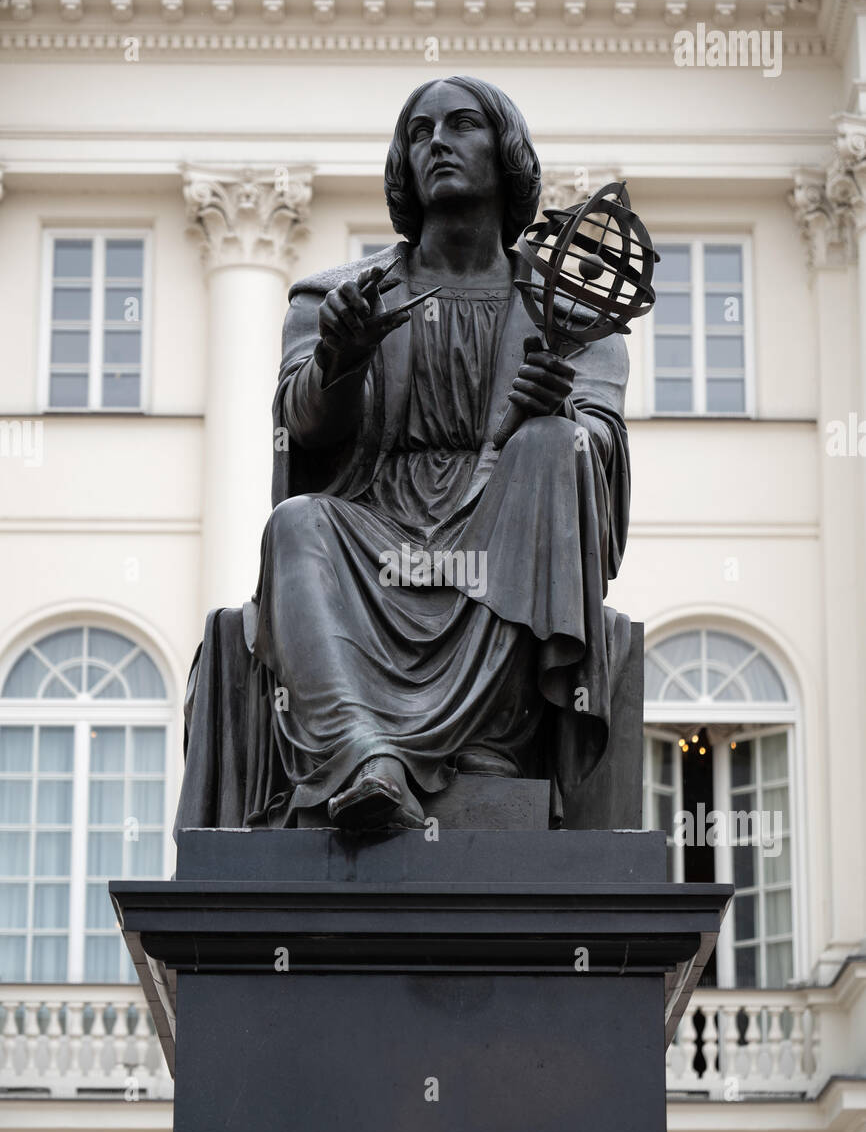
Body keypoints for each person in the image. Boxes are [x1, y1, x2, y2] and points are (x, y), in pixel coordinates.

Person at [175, 76, 633, 836]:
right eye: (419, 133)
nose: (438, 143)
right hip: (377, 537)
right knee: (297, 526)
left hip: (505, 531)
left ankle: (492, 737)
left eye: (461, 126)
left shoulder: (569, 312)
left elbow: (601, 448)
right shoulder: (337, 299)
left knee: (555, 447)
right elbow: (300, 431)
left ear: (506, 152)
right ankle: (363, 758)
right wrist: (340, 363)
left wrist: (557, 416)